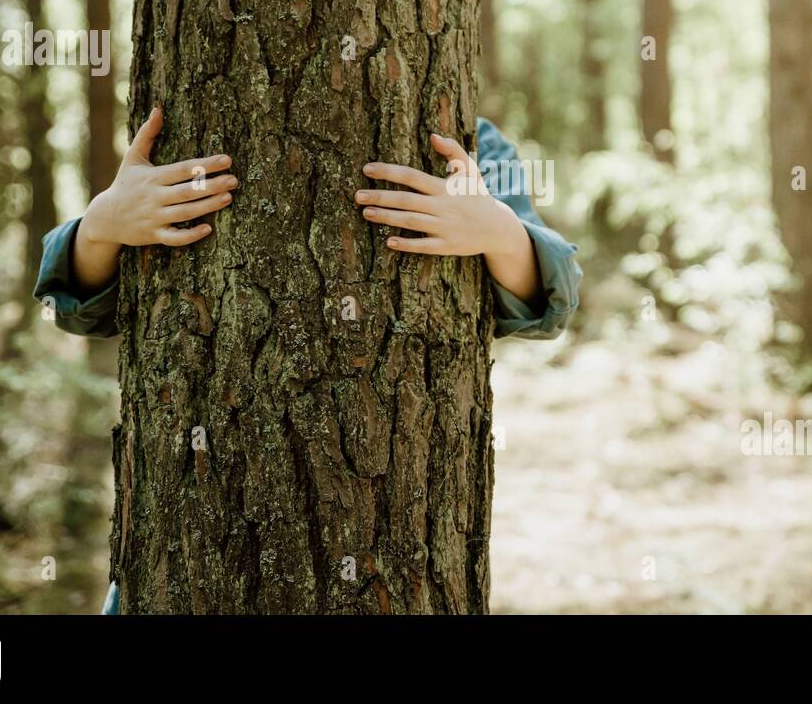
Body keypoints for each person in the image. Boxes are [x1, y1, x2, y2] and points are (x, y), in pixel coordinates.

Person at [33, 106, 582, 614]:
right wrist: (99, 228)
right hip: (185, 514)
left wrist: (502, 235)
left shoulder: (468, 140)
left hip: (395, 528)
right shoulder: (178, 122)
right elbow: (79, 307)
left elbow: (551, 301)